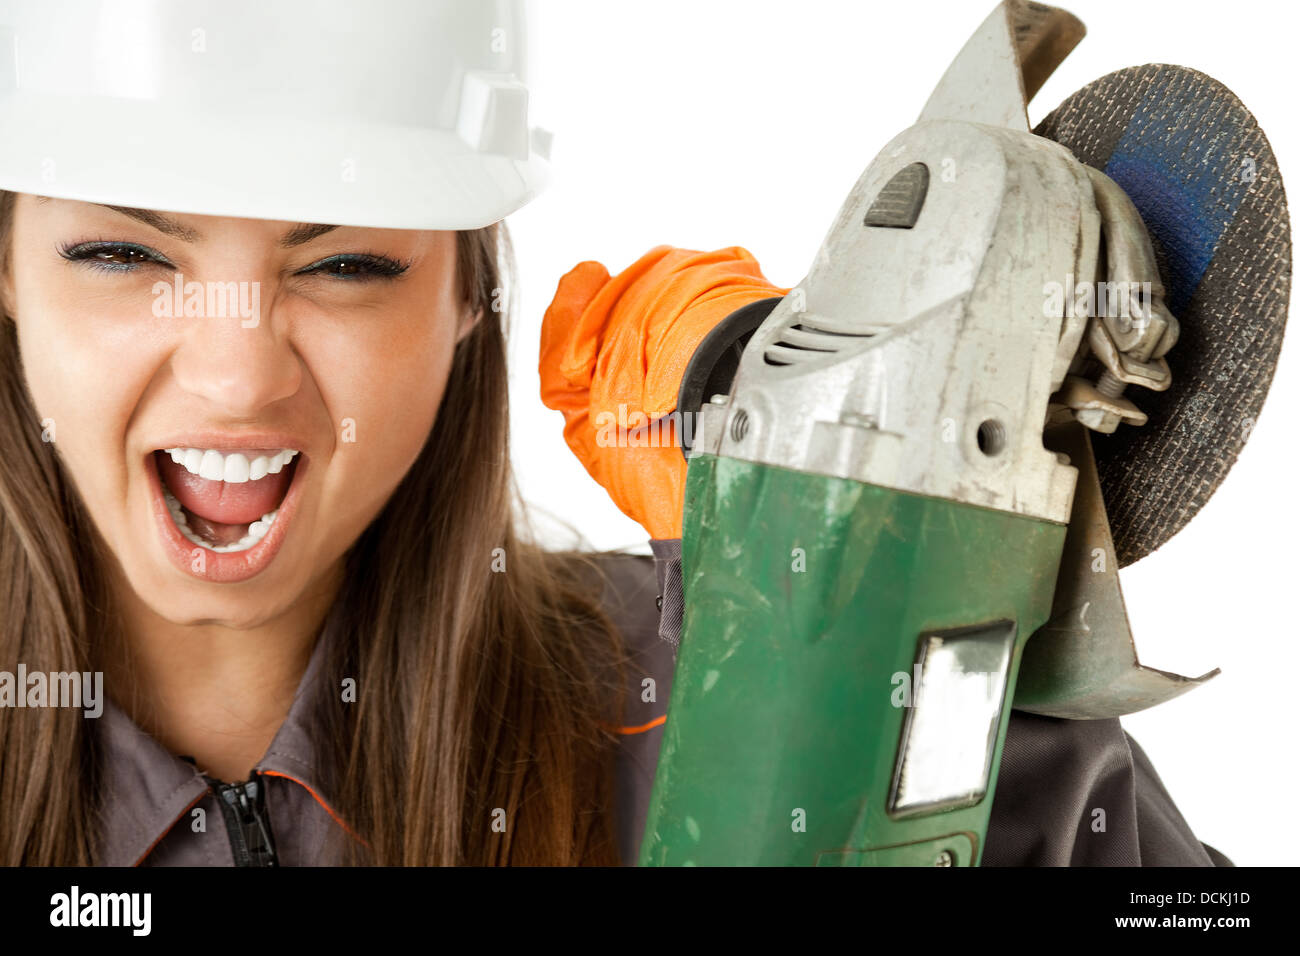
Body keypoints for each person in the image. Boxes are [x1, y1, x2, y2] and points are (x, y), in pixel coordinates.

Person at [0, 0, 1223, 867]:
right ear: (6, 264)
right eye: (121, 253)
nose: (234, 373)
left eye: (348, 263)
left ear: (470, 297)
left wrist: (892, 625)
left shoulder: (731, 680)